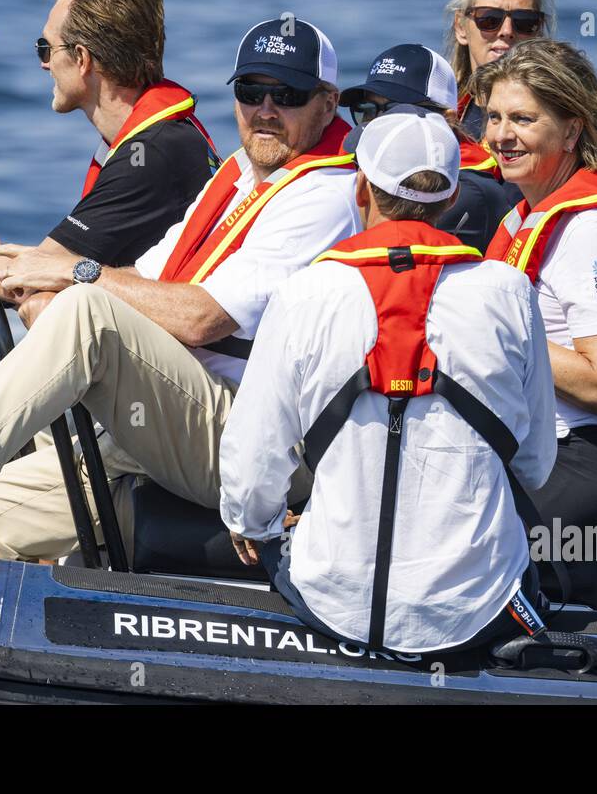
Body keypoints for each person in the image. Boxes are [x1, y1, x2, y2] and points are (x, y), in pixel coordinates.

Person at [0, 19, 363, 558]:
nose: (265, 111)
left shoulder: (323, 195)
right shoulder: (243, 172)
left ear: (327, 102)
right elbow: (138, 277)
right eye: (251, 91)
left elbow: (199, 318)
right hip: (176, 414)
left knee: (86, 309)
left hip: (258, 444)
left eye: (286, 95)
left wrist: (71, 275)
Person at [220, 107, 556, 654]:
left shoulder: (303, 293)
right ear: (450, 199)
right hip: (475, 610)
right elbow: (536, 464)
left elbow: (253, 459)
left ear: (360, 189)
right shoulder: (510, 292)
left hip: (332, 605)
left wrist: (250, 522)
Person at [0, 0, 217, 332]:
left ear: (81, 59)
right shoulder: (161, 136)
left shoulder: (152, 153)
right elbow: (49, 264)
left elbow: (27, 279)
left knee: (44, 305)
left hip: (205, 368)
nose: (44, 64)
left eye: (45, 48)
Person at [475, 39, 597, 606]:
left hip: (573, 460)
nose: (501, 134)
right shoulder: (524, 216)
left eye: (523, 119)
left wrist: (497, 334)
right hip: (520, 448)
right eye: (494, 117)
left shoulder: (592, 233)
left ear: (572, 132)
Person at [340, 44, 517, 253]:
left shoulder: (465, 192)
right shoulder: (355, 159)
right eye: (367, 111)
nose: (378, 124)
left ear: (448, 120)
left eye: (396, 111)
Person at [445, 0, 553, 143]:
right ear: (461, 27)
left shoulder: (558, 121)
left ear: (539, 30)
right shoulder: (437, 115)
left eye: (524, 21)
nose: (507, 30)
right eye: (489, 19)